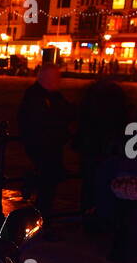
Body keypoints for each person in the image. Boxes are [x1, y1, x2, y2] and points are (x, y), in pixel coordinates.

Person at [17, 63, 74, 223]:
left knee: (49, 182)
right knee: (47, 182)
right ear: (48, 79)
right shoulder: (37, 97)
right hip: (43, 145)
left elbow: (67, 113)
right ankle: (42, 217)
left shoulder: (50, 95)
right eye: (57, 77)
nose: (60, 80)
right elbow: (42, 121)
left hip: (50, 145)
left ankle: (39, 206)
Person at [72, 78, 128, 232]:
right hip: (108, 152)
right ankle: (104, 219)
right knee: (106, 187)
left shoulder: (89, 106)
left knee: (89, 187)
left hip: (91, 151)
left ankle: (90, 219)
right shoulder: (115, 108)